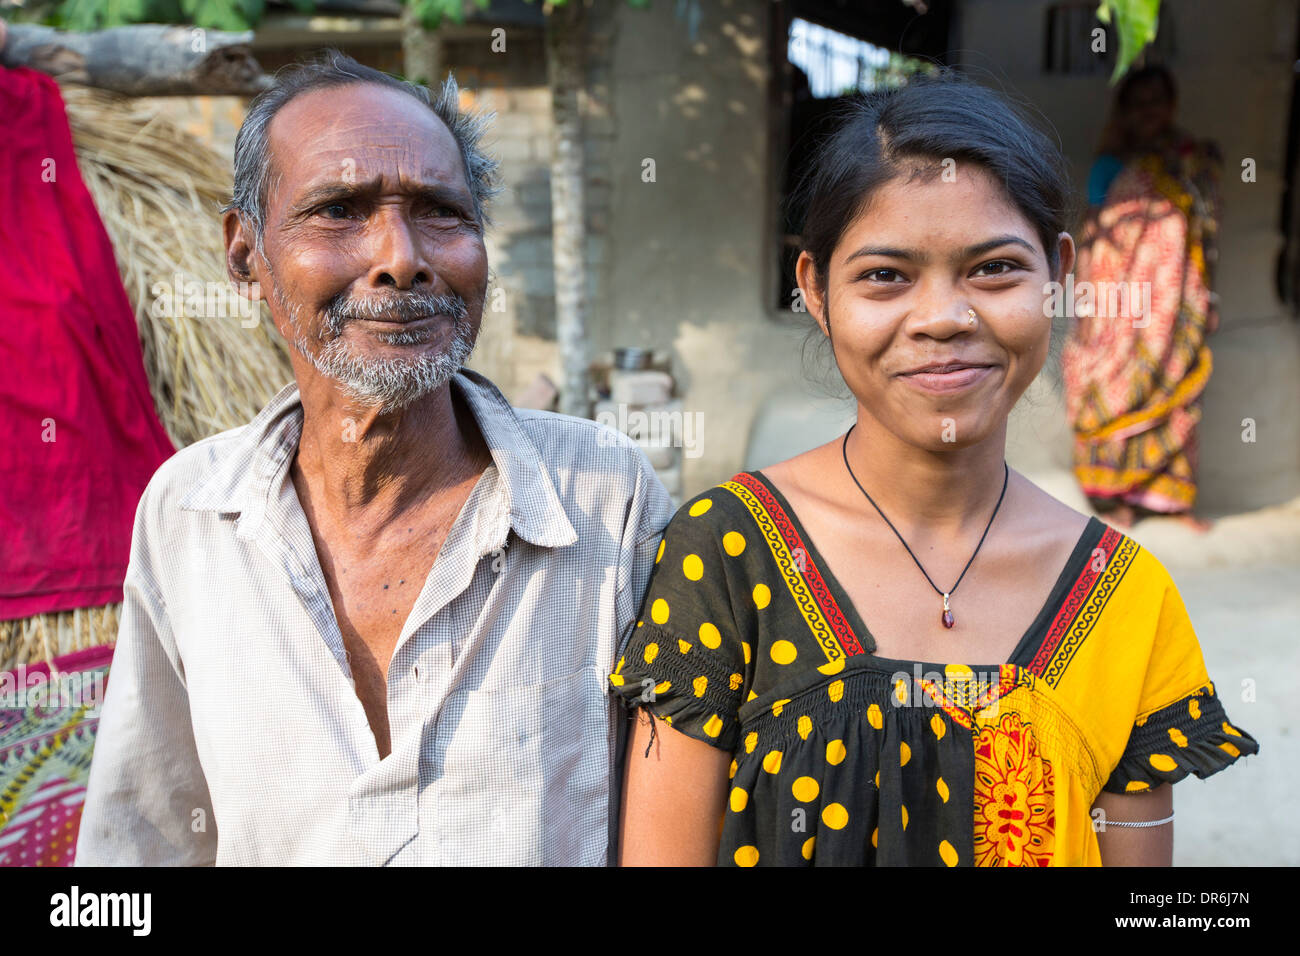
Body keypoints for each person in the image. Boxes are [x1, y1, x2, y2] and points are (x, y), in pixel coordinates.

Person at [610, 72, 1257, 867]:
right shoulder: (729, 552)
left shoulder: (1123, 593)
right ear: (816, 290)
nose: (944, 318)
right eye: (885, 275)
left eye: (993, 269)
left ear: (1058, 276)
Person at [76, 51, 672, 866]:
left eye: (440, 212)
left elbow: (681, 818)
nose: (400, 255)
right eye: (340, 210)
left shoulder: (604, 495)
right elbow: (140, 839)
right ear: (246, 256)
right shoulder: (189, 512)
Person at [1062, 64, 1222, 531]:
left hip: (1175, 302)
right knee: (1116, 383)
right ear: (1125, 112)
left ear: (1172, 106)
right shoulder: (1112, 165)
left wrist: (1205, 294)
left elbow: (1205, 229)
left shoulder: (1189, 161)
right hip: (1120, 299)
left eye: (1158, 101)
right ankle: (1118, 499)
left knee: (1177, 387)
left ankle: (1172, 500)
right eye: (1139, 103)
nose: (1150, 111)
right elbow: (1097, 232)